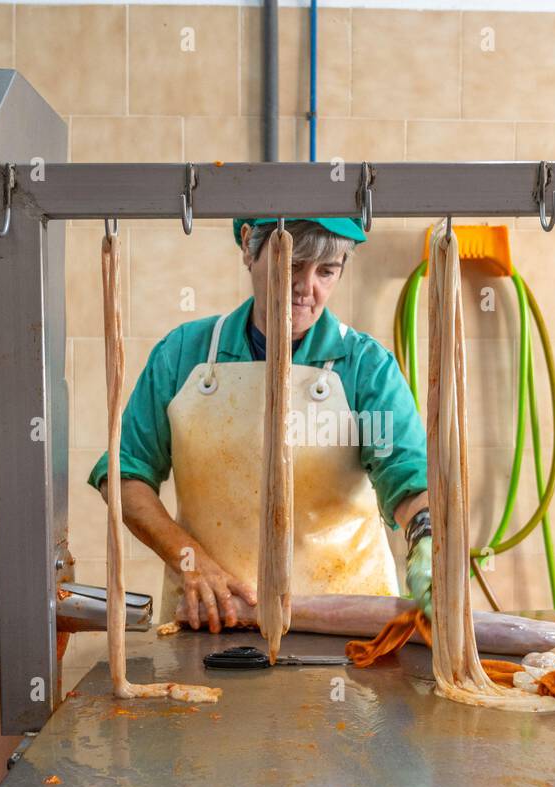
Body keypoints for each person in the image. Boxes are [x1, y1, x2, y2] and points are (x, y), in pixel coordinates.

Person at [90, 217, 433, 632]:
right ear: (249, 245)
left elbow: (408, 478)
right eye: (292, 264)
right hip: (216, 620)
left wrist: (428, 538)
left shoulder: (365, 367)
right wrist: (191, 561)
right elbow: (125, 474)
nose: (307, 288)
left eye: (326, 271)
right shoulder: (185, 355)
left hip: (349, 628)